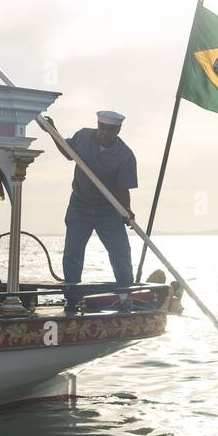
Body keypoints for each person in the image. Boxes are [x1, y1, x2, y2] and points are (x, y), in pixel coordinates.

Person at [47, 110, 138, 313]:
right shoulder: (83, 136)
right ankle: (71, 299)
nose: (105, 133)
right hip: (80, 206)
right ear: (98, 126)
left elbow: (123, 190)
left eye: (110, 130)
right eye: (102, 128)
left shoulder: (125, 155)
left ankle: (125, 297)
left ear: (118, 130)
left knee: (121, 254)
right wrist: (52, 132)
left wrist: (126, 211)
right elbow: (67, 152)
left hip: (109, 211)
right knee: (72, 253)